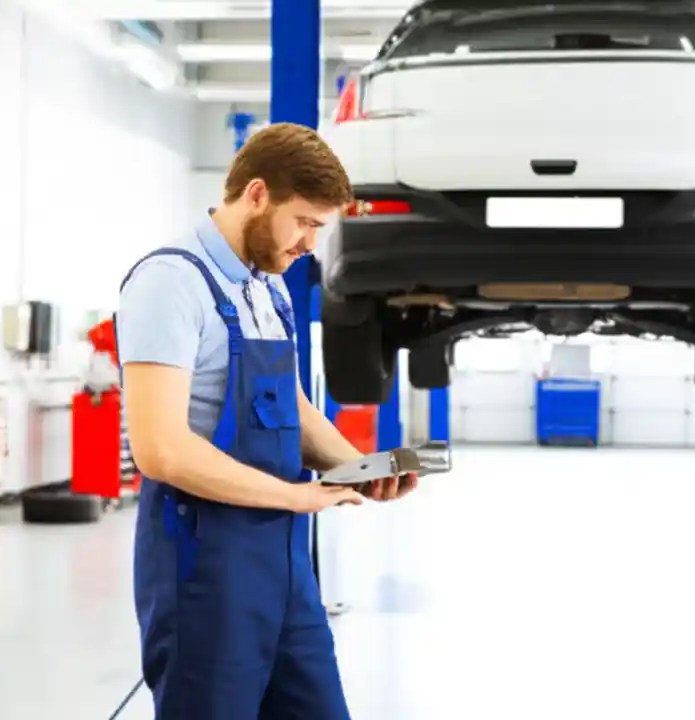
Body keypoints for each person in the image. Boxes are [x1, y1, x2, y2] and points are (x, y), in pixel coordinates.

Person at [117, 122, 420, 719]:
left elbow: (291, 406)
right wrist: (291, 496)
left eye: (318, 228)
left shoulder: (270, 288)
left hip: (285, 572)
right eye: (304, 222)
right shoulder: (169, 284)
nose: (309, 243)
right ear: (257, 194)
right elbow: (160, 449)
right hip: (204, 574)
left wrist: (357, 467)